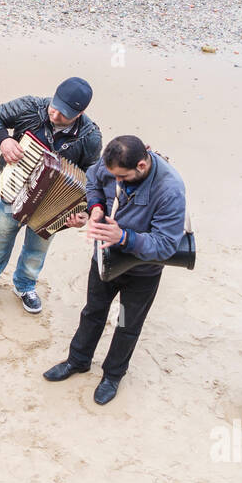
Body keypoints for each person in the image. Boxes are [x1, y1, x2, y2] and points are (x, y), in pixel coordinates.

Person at [43, 135, 186, 405]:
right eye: (114, 176)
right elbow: (94, 180)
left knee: (126, 323)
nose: (116, 182)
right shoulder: (111, 165)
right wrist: (95, 207)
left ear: (142, 166)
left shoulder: (171, 189)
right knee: (92, 311)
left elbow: (166, 245)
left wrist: (124, 237)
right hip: (104, 258)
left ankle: (112, 375)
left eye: (122, 177)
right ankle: (78, 361)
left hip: (142, 271)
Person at [0, 77, 102, 313]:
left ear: (80, 112)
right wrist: (3, 140)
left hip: (53, 203)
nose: (55, 116)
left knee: (38, 247)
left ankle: (25, 286)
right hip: (13, 184)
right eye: (55, 107)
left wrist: (83, 212)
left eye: (64, 114)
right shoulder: (30, 106)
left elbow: (92, 178)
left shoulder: (91, 136)